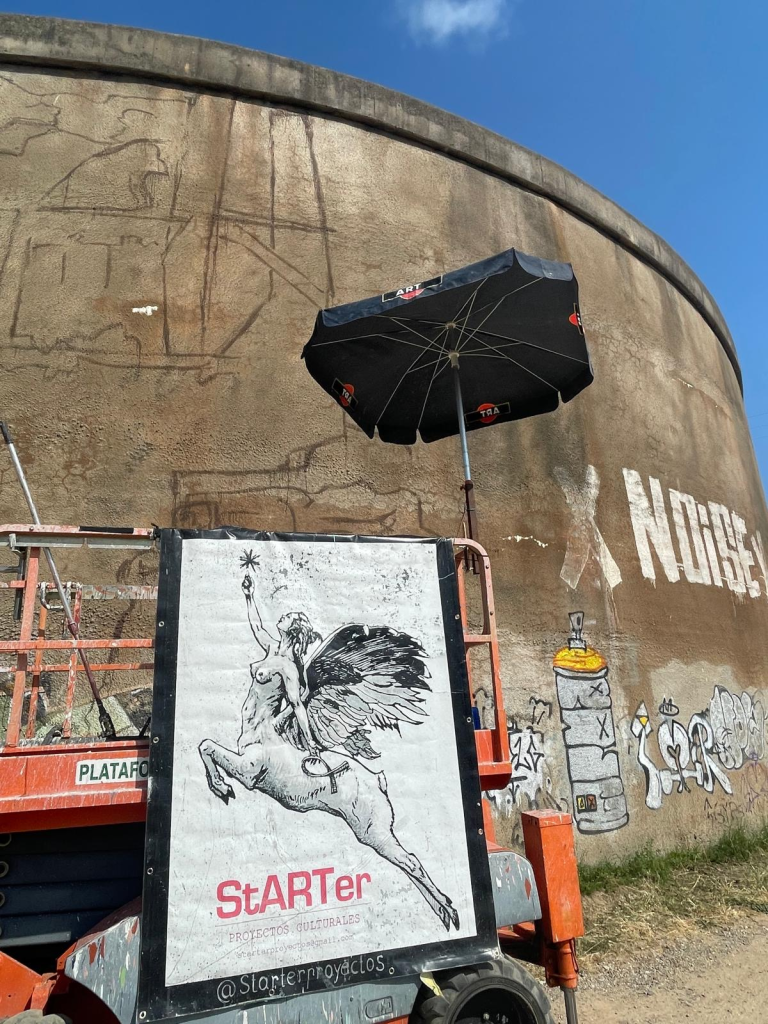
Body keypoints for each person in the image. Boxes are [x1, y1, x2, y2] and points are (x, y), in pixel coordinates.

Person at [241, 572, 321, 753]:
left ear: (293, 631)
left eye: (288, 617)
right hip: (248, 728)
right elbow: (257, 627)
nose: (283, 615)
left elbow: (297, 705)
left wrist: (310, 741)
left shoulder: (289, 667)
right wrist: (249, 596)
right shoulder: (272, 647)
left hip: (263, 732)